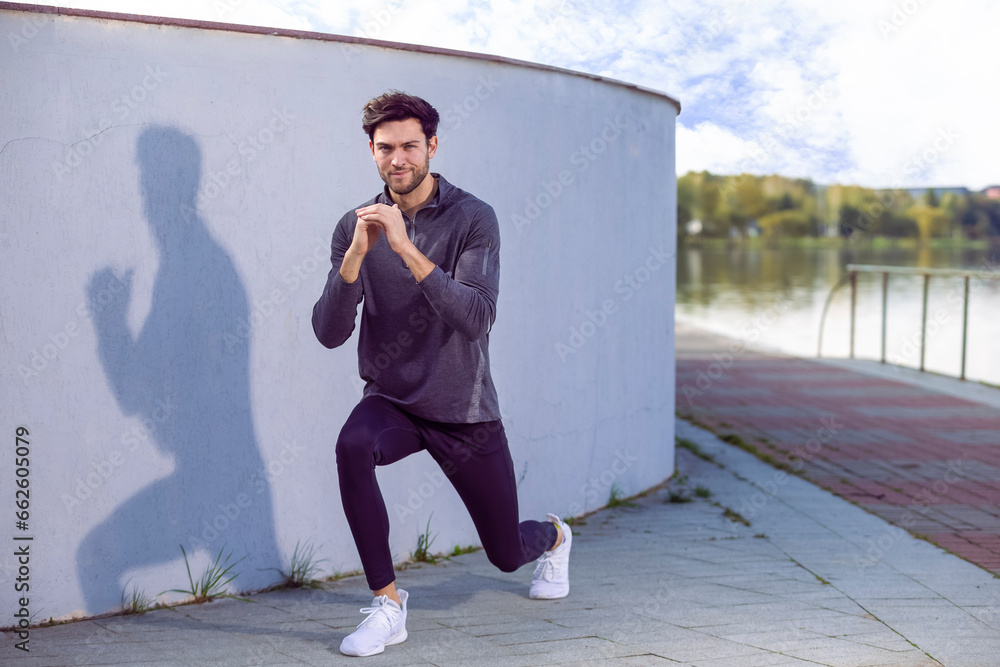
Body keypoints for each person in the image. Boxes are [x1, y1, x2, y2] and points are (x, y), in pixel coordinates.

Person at [312, 90, 572, 658]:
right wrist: (356, 256)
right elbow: (330, 333)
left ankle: (553, 535)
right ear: (371, 152)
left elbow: (476, 317)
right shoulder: (353, 227)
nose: (397, 159)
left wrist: (405, 248)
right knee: (352, 444)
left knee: (504, 552)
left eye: (409, 146)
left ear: (432, 145)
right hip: (394, 401)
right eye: (385, 149)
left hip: (465, 410)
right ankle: (388, 604)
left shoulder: (474, 218)